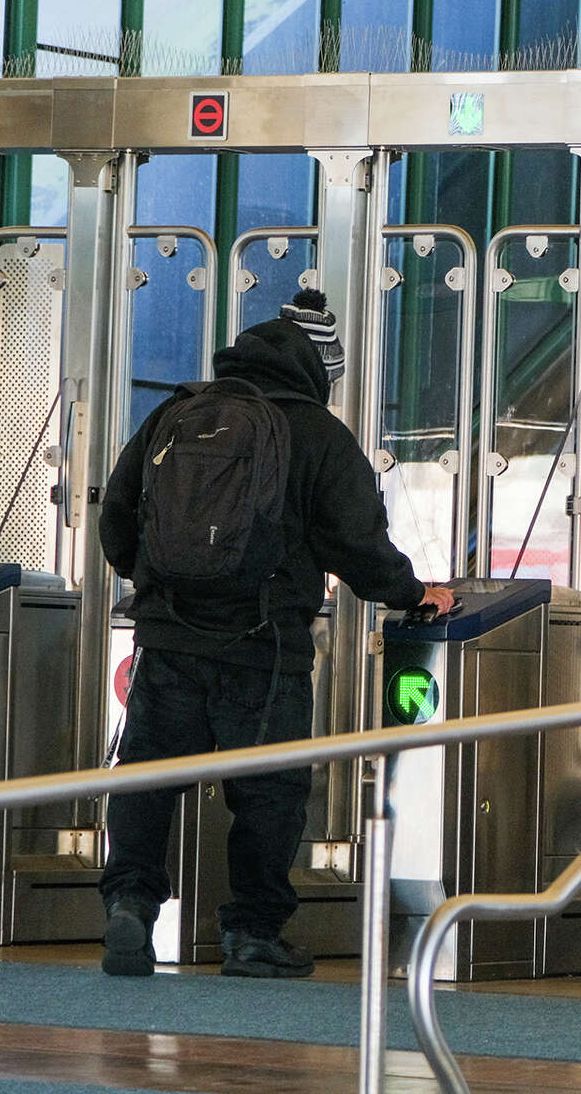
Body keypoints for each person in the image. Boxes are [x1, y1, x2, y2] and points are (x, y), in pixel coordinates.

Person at [96, 289, 456, 978]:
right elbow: (358, 545)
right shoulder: (316, 434)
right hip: (266, 648)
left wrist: (158, 590)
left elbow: (117, 516)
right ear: (318, 370)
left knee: (145, 779)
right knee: (268, 792)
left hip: (167, 641)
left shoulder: (175, 413)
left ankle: (131, 908)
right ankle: (253, 935)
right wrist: (414, 593)